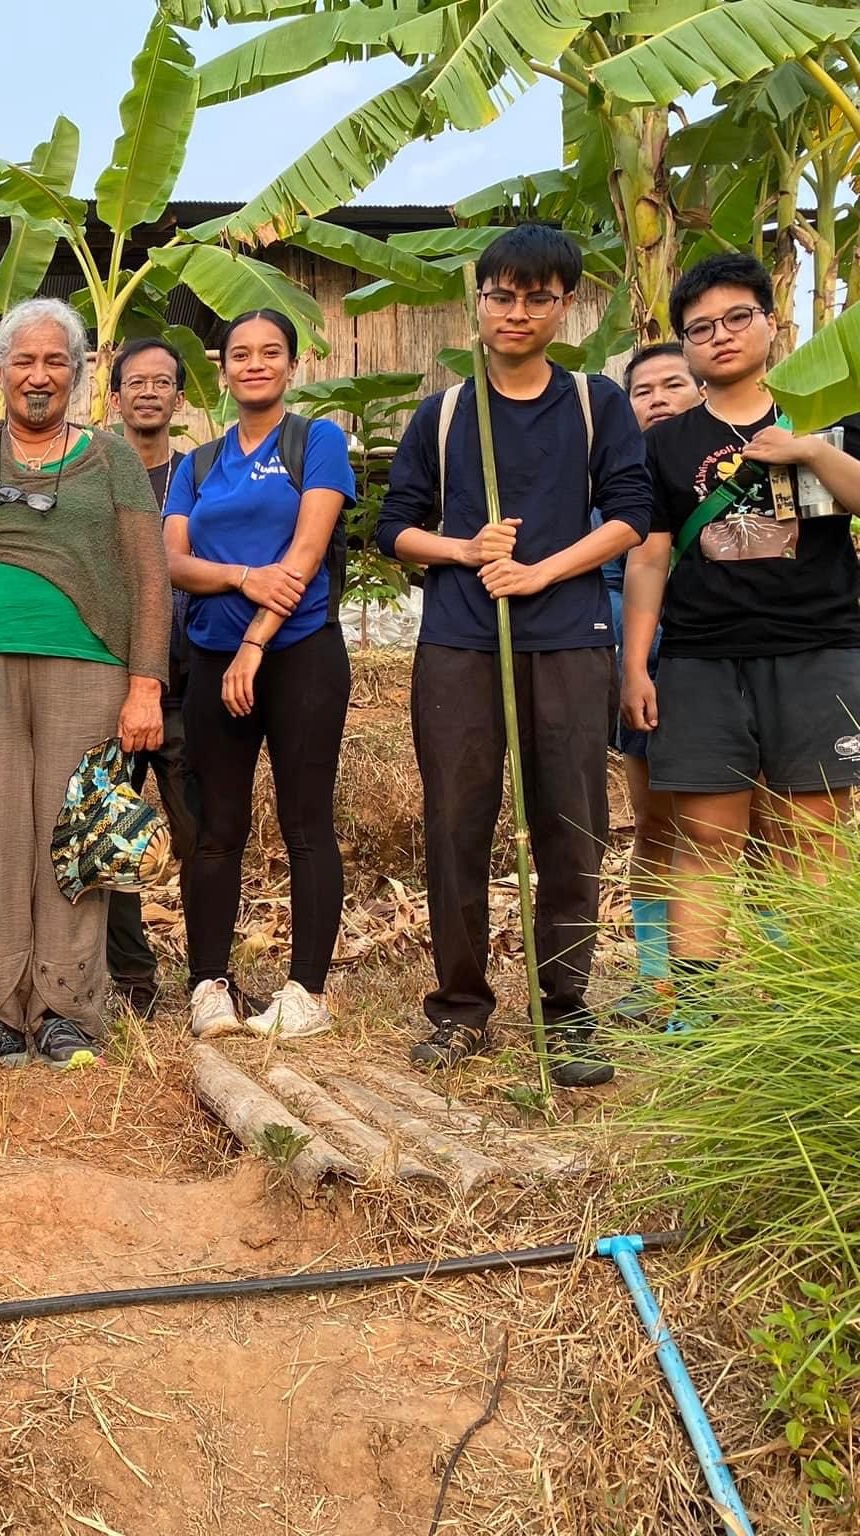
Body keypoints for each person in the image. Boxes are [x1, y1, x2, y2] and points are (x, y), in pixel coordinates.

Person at [376, 224, 652, 1086]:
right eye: (502, 295)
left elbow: (630, 509)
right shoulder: (445, 412)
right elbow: (395, 529)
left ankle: (565, 1010)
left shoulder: (593, 403)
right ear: (479, 303)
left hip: (571, 639)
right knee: (457, 824)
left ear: (564, 305)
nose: (518, 312)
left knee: (571, 825)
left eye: (539, 297)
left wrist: (542, 572)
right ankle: (460, 1008)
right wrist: (463, 550)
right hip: (459, 642)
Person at [0, 298, 170, 1069]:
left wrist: (145, 683)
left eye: (56, 362)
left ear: (78, 375)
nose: (39, 376)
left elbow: (149, 579)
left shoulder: (111, 458)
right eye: (23, 360)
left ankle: (67, 1011)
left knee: (72, 830)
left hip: (89, 665)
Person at [623, 252, 860, 1014]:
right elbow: (650, 557)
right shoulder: (663, 444)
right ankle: (694, 1009)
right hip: (700, 657)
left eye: (737, 319)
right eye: (700, 328)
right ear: (686, 345)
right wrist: (636, 666)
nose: (720, 337)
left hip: (819, 647)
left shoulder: (829, 415)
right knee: (705, 837)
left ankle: (808, 1007)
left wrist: (814, 450)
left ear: (770, 323)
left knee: (814, 836)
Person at [167, 310, 356, 1041]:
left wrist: (256, 642)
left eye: (268, 353)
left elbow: (306, 555)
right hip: (214, 656)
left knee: (305, 821)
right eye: (240, 354)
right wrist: (244, 577)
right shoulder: (200, 462)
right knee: (217, 826)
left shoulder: (318, 442)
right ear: (223, 371)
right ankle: (208, 984)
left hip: (300, 652)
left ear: (290, 364)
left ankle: (306, 992)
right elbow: (175, 561)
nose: (254, 364)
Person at [606, 343, 702, 1013]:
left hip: (727, 663)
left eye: (674, 384)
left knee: (766, 828)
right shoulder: (612, 484)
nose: (659, 398)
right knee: (657, 826)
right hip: (643, 674)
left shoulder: (732, 468)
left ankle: (768, 976)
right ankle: (653, 976)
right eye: (644, 390)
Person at [102, 335, 197, 1014]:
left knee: (205, 834)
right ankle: (131, 982)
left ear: (180, 397)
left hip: (189, 684)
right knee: (112, 833)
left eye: (162, 382)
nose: (148, 392)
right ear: (114, 397)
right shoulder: (93, 477)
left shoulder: (199, 477)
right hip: (110, 682)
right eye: (136, 382)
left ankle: (209, 976)